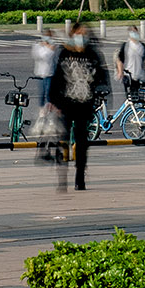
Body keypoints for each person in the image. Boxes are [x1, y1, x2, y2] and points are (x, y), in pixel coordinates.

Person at [47, 18, 109, 191]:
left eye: (84, 34)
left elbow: (102, 79)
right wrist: (53, 101)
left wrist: (100, 100)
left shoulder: (93, 54)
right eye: (78, 34)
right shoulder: (64, 52)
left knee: (82, 144)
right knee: (63, 141)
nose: (81, 37)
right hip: (66, 106)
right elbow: (56, 78)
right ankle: (62, 177)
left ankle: (79, 176)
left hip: (85, 106)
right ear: (72, 34)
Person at [31, 29, 58, 110]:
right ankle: (41, 112)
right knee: (41, 94)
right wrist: (48, 48)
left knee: (49, 94)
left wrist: (50, 48)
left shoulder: (54, 46)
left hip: (50, 73)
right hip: (40, 73)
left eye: (49, 36)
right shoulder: (38, 45)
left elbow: (52, 58)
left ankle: (50, 113)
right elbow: (38, 56)